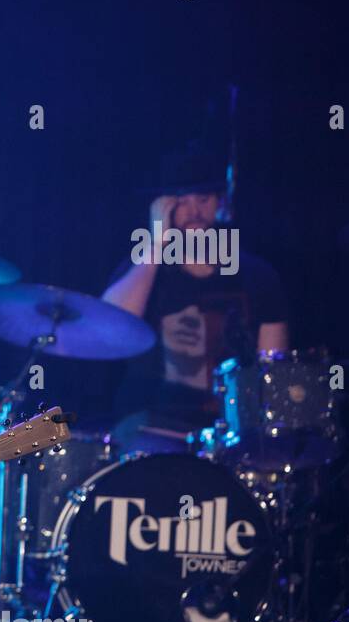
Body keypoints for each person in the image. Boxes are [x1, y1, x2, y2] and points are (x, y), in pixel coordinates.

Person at [102, 144, 289, 452]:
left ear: (221, 204)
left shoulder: (258, 275)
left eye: (203, 199)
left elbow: (274, 369)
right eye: (180, 202)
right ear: (162, 209)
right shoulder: (144, 268)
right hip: (151, 426)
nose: (193, 212)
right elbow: (107, 326)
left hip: (229, 433)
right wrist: (157, 242)